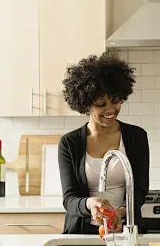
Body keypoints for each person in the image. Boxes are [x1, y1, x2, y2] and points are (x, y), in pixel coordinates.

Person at [57, 51, 150, 235]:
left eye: (115, 101)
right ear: (85, 104)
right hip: (82, 232)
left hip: (126, 231)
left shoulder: (136, 137)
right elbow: (69, 199)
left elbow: (139, 191)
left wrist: (120, 213)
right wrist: (91, 203)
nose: (110, 109)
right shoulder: (69, 143)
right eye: (101, 103)